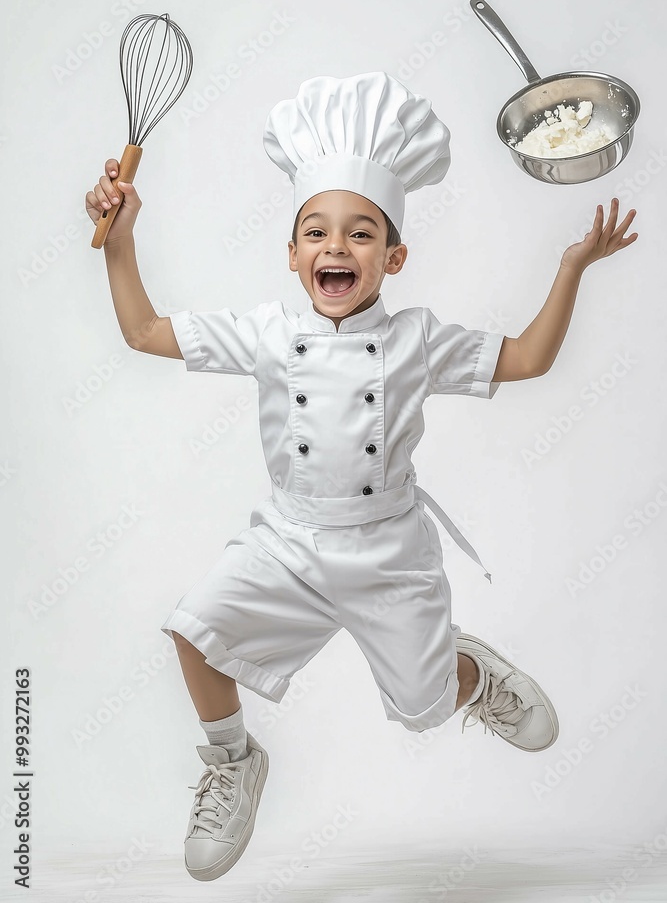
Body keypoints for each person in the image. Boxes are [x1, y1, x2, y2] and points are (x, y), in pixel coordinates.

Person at [85, 71, 638, 883]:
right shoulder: (268, 332)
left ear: (394, 254)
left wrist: (572, 269)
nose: (334, 248)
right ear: (290, 253)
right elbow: (141, 330)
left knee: (422, 712)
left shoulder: (415, 337)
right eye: (315, 232)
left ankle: (473, 674)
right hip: (290, 542)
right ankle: (234, 763)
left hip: (390, 555)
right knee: (192, 629)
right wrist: (123, 232)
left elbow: (525, 359)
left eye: (359, 234)